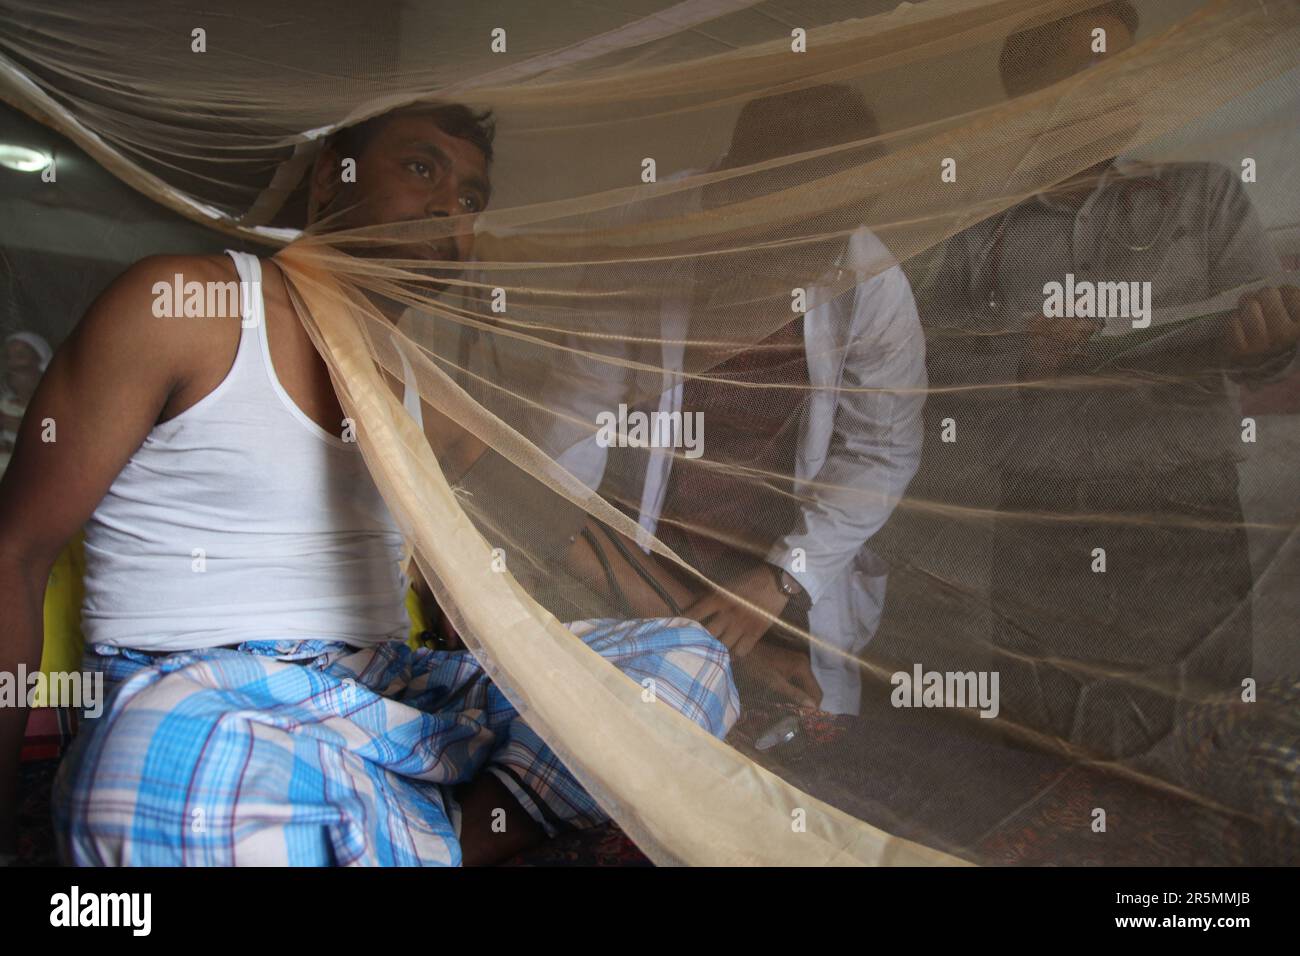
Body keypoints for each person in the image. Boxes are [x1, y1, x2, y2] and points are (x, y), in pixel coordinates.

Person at [0, 101, 738, 865]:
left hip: (388, 698)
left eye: (471, 199)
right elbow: (14, 553)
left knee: (683, 663)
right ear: (329, 180)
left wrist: (725, 622)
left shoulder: (423, 390)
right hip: (207, 696)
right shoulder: (185, 305)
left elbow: (563, 532)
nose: (448, 210)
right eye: (421, 169)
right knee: (164, 766)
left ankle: (447, 839)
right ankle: (393, 827)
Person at [918, 1, 1300, 779]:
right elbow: (927, 374)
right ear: (1026, 98)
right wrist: (1018, 363)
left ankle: (1194, 906)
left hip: (1182, 507)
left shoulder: (1205, 195)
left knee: (1206, 743)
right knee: (1038, 740)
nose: (1111, 91)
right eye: (1084, 73)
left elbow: (1264, 353)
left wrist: (1269, 346)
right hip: (1040, 512)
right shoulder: (975, 225)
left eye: (1122, 70)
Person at [547, 86, 927, 725]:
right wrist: (572, 547)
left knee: (795, 713)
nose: (778, 285)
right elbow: (576, 419)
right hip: (642, 528)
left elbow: (882, 449)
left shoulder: (870, 279)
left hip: (773, 533)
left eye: (805, 262)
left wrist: (781, 579)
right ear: (730, 194)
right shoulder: (644, 235)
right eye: (771, 253)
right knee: (611, 696)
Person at [0, 331, 52, 471]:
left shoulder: (50, 406)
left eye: (21, 356)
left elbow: (50, 440)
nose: (13, 363)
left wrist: (20, 427)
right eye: (8, 357)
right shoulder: (7, 403)